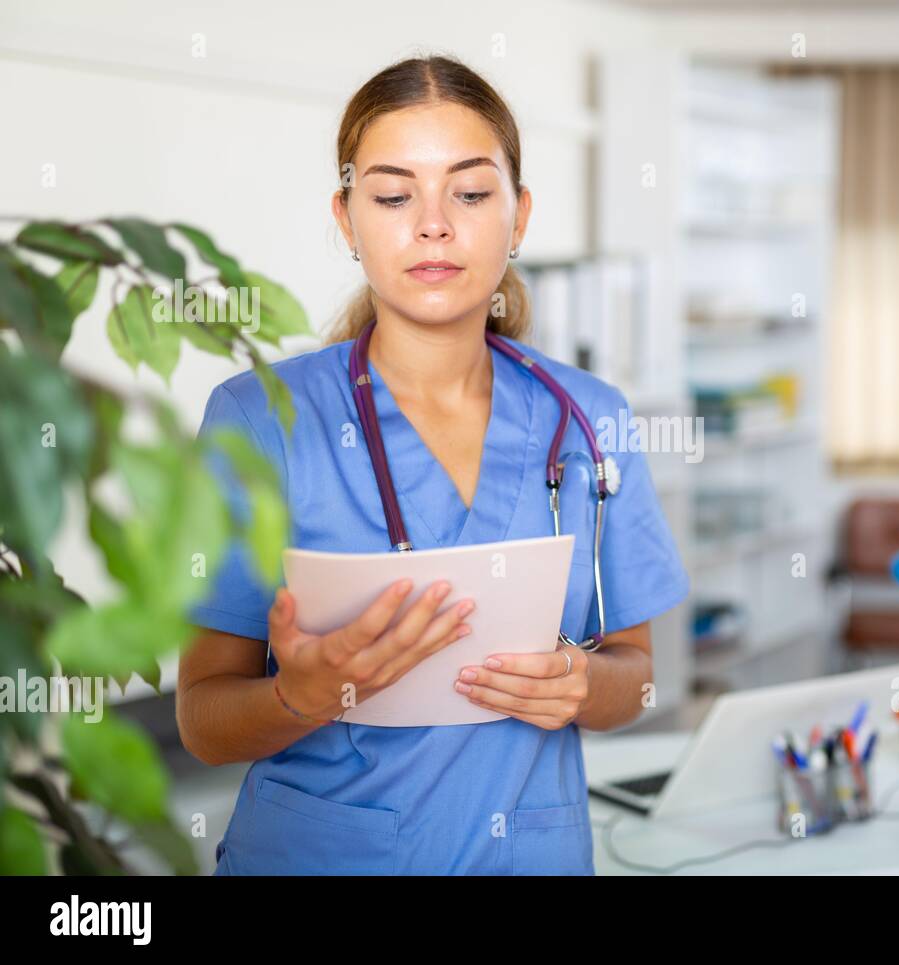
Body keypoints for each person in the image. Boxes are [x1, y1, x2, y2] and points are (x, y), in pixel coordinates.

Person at [176, 54, 690, 875]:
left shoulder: (590, 419)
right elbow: (203, 720)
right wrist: (297, 696)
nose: (434, 224)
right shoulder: (260, 419)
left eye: (471, 192)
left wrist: (580, 686)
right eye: (392, 195)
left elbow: (636, 677)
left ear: (518, 217)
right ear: (346, 219)